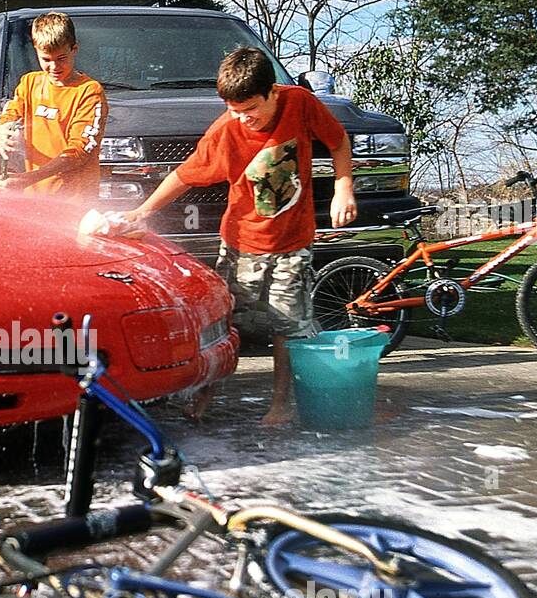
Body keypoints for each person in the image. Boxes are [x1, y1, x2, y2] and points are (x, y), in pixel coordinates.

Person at [118, 47, 357, 425]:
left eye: (251, 109)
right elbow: (183, 175)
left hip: (293, 242)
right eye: (234, 110)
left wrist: (344, 187)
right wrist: (141, 212)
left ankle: (280, 405)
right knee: (224, 325)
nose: (243, 119)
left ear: (272, 92)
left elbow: (339, 141)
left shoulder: (300, 103)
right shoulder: (226, 130)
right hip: (241, 243)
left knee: (287, 326)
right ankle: (204, 396)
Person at [0, 12, 107, 201]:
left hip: (75, 200)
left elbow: (78, 152)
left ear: (74, 49)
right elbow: (7, 118)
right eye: (46, 59)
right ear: (36, 50)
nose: (54, 67)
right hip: (35, 198)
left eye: (61, 59)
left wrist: (27, 179)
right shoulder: (29, 83)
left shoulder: (89, 91)